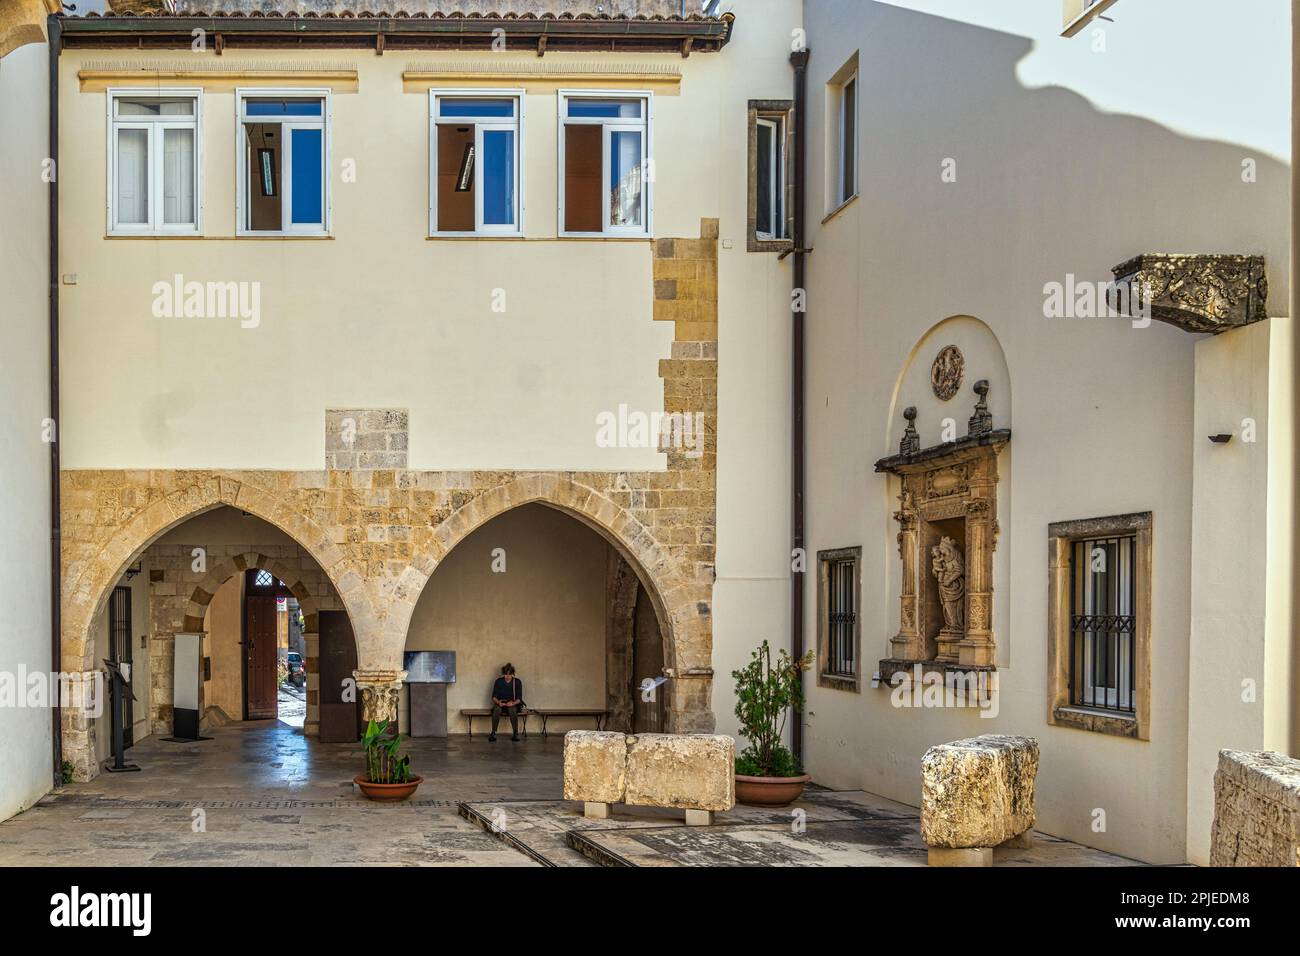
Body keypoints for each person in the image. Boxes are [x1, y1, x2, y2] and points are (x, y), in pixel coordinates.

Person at [489, 663, 525, 742]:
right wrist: (498, 702)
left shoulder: (517, 682)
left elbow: (519, 698)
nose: (507, 676)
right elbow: (494, 697)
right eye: (505, 674)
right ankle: (493, 732)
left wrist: (513, 703)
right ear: (503, 674)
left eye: (509, 674)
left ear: (512, 674)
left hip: (513, 704)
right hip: (501, 703)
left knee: (512, 710)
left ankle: (515, 733)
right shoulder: (498, 681)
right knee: (496, 709)